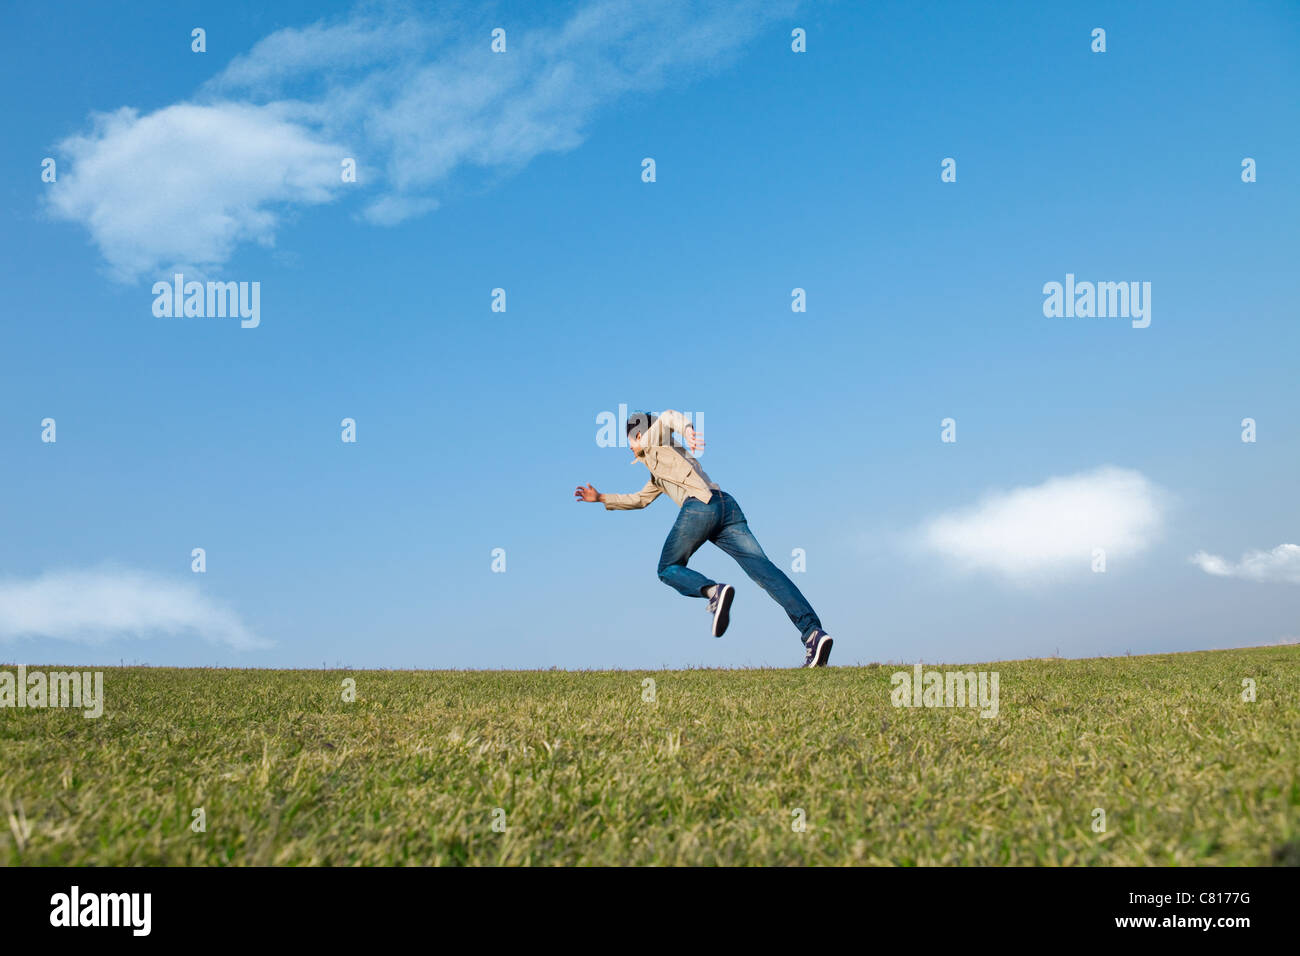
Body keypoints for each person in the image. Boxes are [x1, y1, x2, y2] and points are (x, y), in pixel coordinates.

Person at [575, 409, 833, 667]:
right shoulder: (657, 470)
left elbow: (667, 417)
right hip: (725, 506)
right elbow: (640, 500)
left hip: (700, 506)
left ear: (638, 435)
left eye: (629, 442)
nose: (629, 449)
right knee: (766, 572)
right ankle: (813, 632)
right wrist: (601, 498)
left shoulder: (654, 439)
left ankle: (713, 591)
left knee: (666, 568)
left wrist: (687, 430)